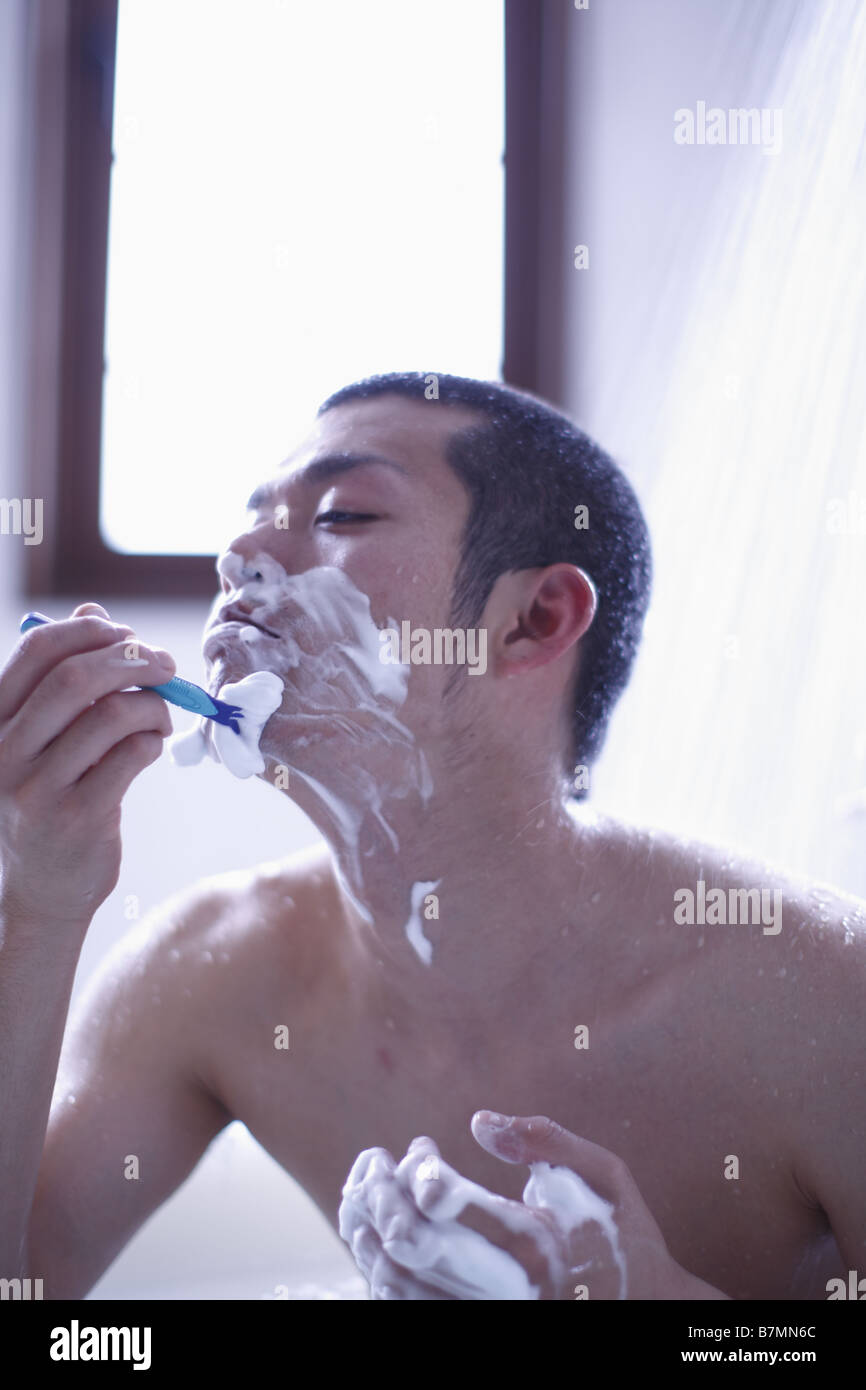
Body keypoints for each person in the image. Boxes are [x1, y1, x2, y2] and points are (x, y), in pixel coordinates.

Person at [1, 372, 862, 1300]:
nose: (239, 553)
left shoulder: (821, 1004)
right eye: (251, 520)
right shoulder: (208, 975)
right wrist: (39, 901)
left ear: (534, 620)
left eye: (343, 513)